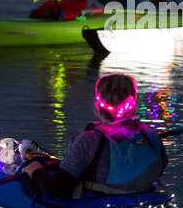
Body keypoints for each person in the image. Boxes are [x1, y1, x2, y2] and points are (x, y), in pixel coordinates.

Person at [18, 73, 168, 200]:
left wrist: (35, 169)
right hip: (144, 199)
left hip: (99, 205)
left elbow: (54, 190)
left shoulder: (88, 139)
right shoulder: (150, 133)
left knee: (28, 174)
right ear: (133, 101)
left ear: (98, 103)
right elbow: (161, 166)